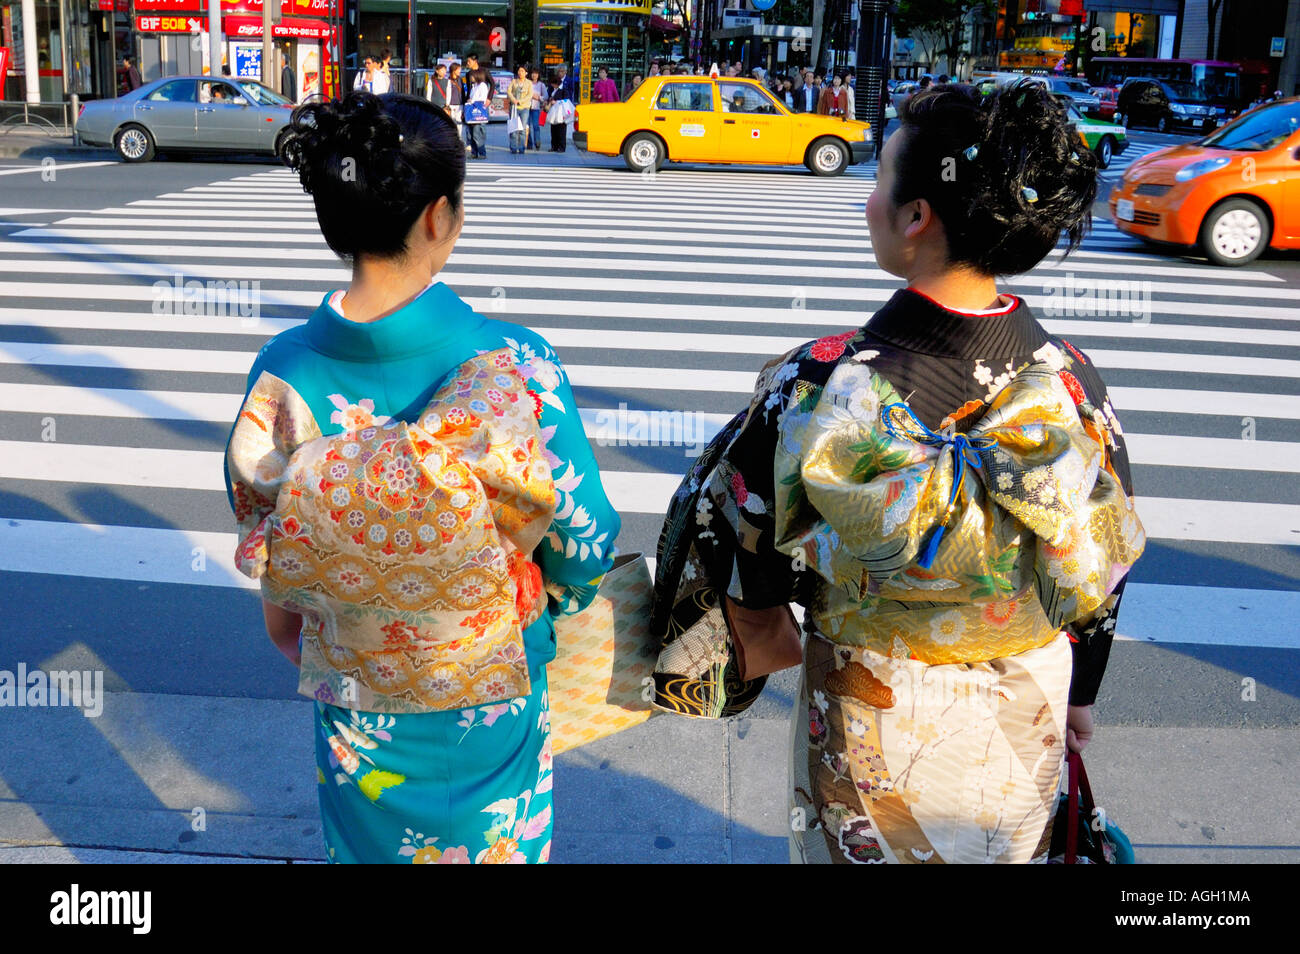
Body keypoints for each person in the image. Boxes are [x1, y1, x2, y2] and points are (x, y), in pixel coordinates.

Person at [649, 80, 1143, 865]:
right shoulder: (1072, 383)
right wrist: (1082, 691)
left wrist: (763, 627)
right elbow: (1107, 555)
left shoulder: (822, 381)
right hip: (1028, 692)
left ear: (919, 217)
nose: (867, 202)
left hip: (865, 692)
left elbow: (733, 520)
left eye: (878, 182)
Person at [233, 90, 621, 865]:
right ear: (440, 216)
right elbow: (584, 543)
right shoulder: (516, 363)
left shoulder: (285, 372)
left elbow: (277, 574)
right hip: (496, 688)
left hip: (356, 701)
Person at [548, 65, 575, 152]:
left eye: (562, 71)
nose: (560, 73)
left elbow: (566, 99)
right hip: (554, 111)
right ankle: (554, 146)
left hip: (562, 111)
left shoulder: (564, 89)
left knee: (561, 129)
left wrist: (556, 102)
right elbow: (550, 95)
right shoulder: (553, 89)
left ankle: (561, 147)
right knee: (553, 129)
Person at [465, 68, 491, 159]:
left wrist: (472, 101)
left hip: (477, 113)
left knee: (477, 133)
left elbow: (483, 98)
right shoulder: (474, 85)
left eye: (472, 76)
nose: (471, 78)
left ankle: (482, 152)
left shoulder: (482, 85)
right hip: (472, 112)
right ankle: (474, 152)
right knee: (471, 134)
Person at [507, 65, 532, 154]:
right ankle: (513, 147)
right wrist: (513, 99)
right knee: (513, 128)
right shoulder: (514, 81)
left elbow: (530, 95)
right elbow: (508, 91)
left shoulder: (529, 83)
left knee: (523, 128)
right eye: (519, 71)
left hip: (524, 108)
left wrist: (520, 101)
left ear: (526, 73)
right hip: (514, 108)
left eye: (522, 71)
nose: (520, 72)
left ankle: (522, 148)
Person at [447, 62, 465, 145]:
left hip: (459, 103)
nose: (460, 71)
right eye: (458, 69)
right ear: (454, 70)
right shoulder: (448, 80)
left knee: (459, 121)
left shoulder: (460, 79)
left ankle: (459, 138)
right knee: (451, 121)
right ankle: (452, 137)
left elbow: (463, 92)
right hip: (450, 104)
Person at [528, 69, 545, 150]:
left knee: (536, 126)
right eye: (533, 73)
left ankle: (537, 142)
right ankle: (529, 143)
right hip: (526, 107)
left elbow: (546, 96)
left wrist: (538, 98)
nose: (534, 75)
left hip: (536, 108)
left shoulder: (541, 85)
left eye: (536, 73)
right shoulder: (527, 83)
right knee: (527, 126)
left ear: (538, 75)